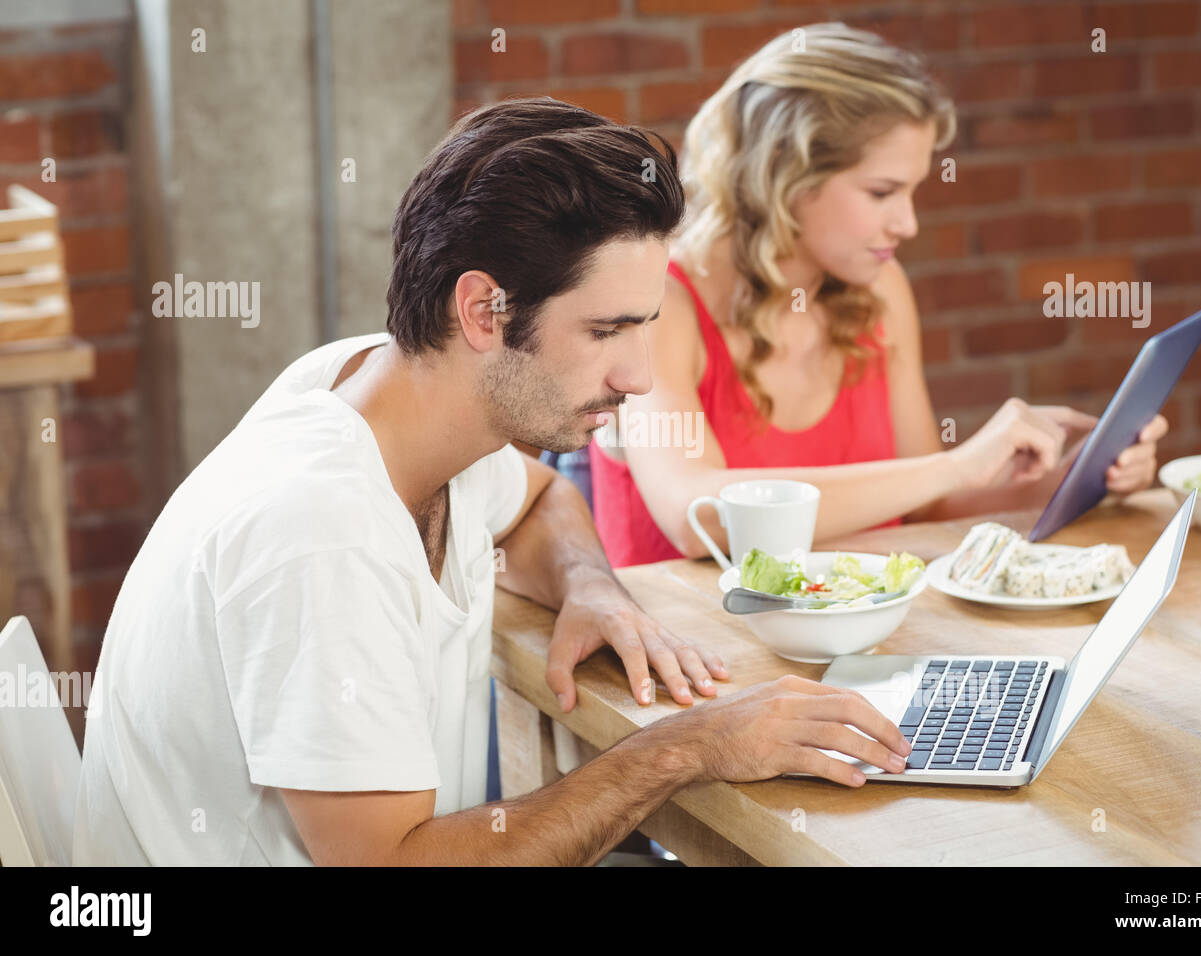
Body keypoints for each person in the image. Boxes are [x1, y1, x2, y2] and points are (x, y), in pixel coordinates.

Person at [73, 98, 912, 867]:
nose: (640, 375)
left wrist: (593, 587)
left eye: (646, 326)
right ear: (484, 310)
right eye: (607, 330)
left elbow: (543, 499)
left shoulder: (382, 388)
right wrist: (686, 747)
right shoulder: (323, 529)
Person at [589, 23, 1168, 567]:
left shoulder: (880, 291)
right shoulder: (659, 303)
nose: (908, 224)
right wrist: (956, 465)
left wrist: (1076, 478)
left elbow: (922, 508)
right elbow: (699, 520)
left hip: (855, 650)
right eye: (882, 191)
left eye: (912, 191)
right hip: (694, 661)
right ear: (787, 176)